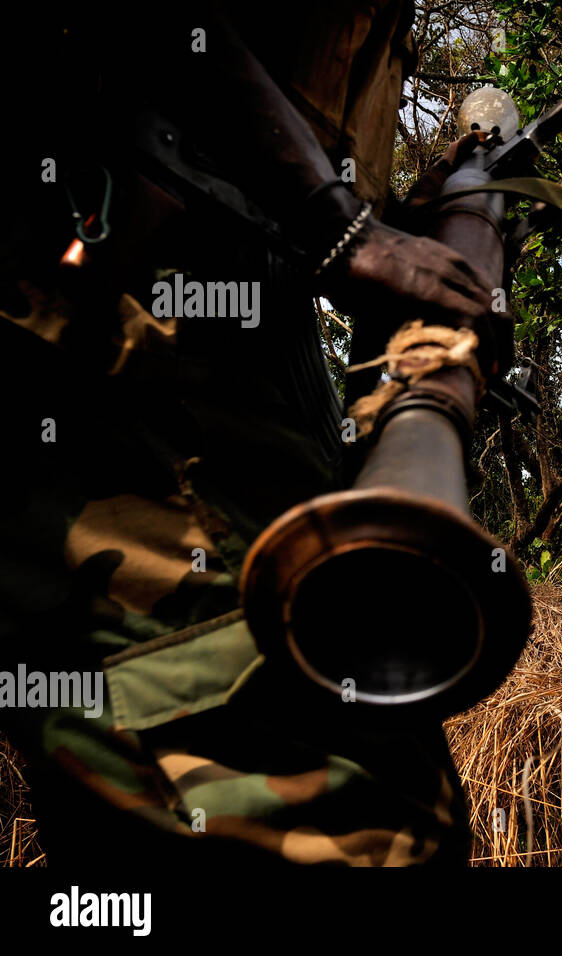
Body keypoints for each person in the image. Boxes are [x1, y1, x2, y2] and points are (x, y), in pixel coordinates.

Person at [0, 2, 510, 866]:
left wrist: (416, 237)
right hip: (98, 339)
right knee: (352, 816)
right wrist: (342, 227)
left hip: (217, 368)